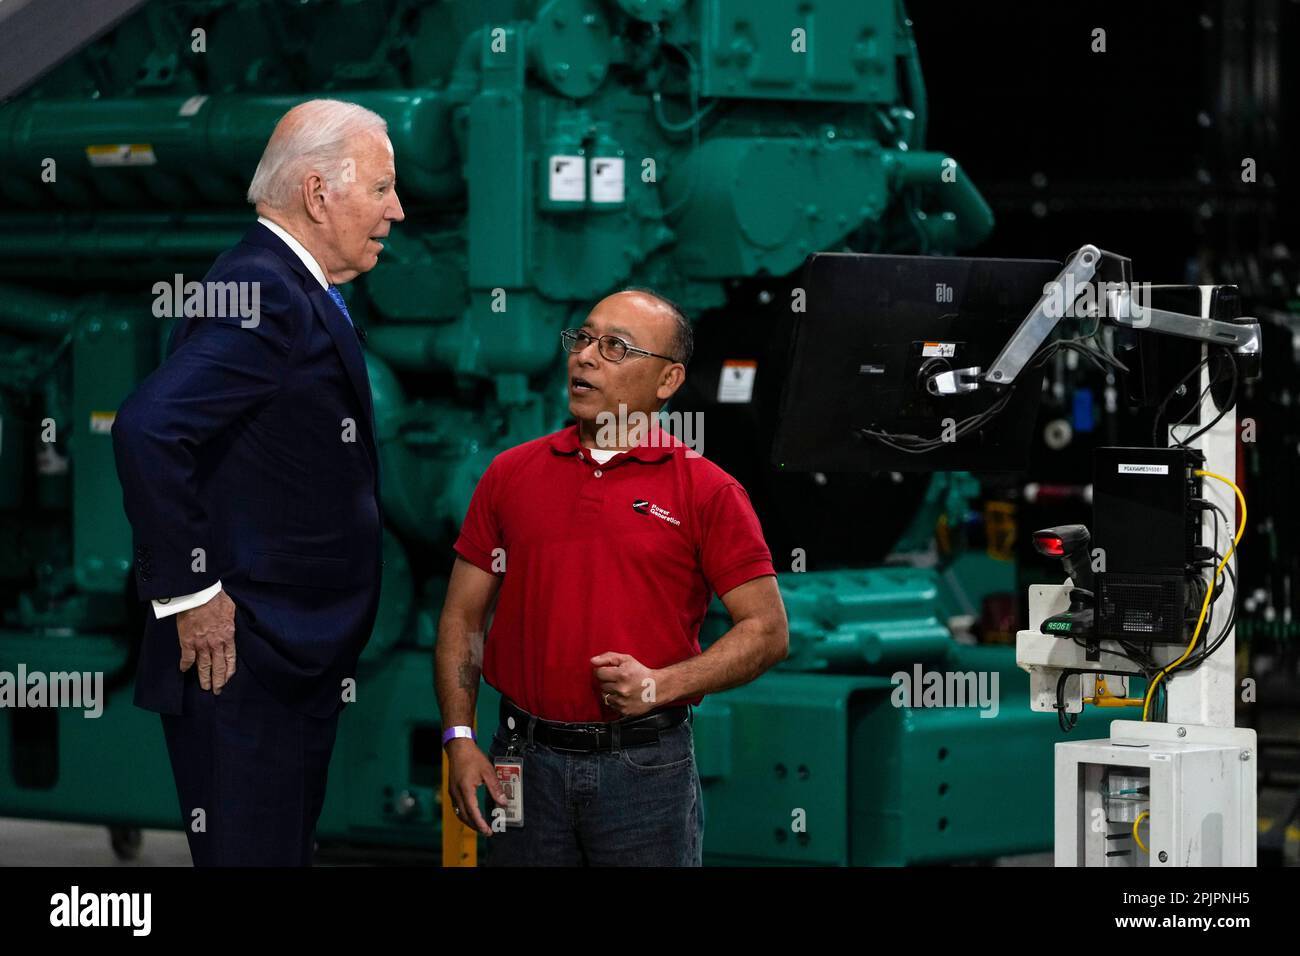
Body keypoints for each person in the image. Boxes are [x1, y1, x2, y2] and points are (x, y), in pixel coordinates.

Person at [111, 99, 404, 865]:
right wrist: (190, 593)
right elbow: (149, 428)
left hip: (284, 659)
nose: (396, 211)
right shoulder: (267, 289)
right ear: (317, 194)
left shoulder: (280, 282)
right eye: (380, 190)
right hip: (248, 662)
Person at [435, 289, 789, 866]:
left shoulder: (707, 491)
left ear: (668, 381)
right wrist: (459, 737)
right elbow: (462, 615)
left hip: (644, 772)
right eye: (583, 338)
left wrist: (661, 684)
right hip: (519, 759)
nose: (585, 357)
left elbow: (768, 631)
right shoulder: (509, 475)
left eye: (616, 347)